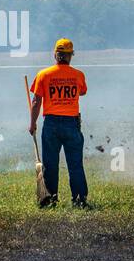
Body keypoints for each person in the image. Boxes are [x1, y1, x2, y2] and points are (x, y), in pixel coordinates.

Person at [29, 37, 91, 209]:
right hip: (72, 124)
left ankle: (50, 198)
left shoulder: (43, 75)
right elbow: (83, 92)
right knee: (75, 164)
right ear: (70, 56)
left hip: (51, 125)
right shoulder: (78, 75)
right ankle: (79, 199)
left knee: (50, 164)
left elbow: (36, 101)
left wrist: (32, 123)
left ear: (55, 55)